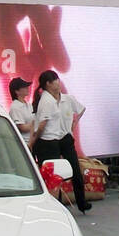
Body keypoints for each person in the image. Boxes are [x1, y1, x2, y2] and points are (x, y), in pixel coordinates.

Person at [32, 70, 90, 213]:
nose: (58, 83)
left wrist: (74, 123)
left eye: (58, 80)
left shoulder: (67, 99)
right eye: (55, 81)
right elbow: (42, 125)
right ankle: (53, 204)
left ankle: (82, 202)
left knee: (75, 170)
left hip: (64, 138)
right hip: (48, 140)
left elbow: (81, 109)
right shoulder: (46, 101)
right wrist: (34, 141)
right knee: (53, 175)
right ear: (48, 84)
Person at [8, 77, 39, 148]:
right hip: (24, 144)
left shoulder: (28, 104)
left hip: (33, 142)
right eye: (24, 87)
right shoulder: (15, 107)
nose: (27, 88)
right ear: (17, 91)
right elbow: (22, 128)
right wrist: (35, 123)